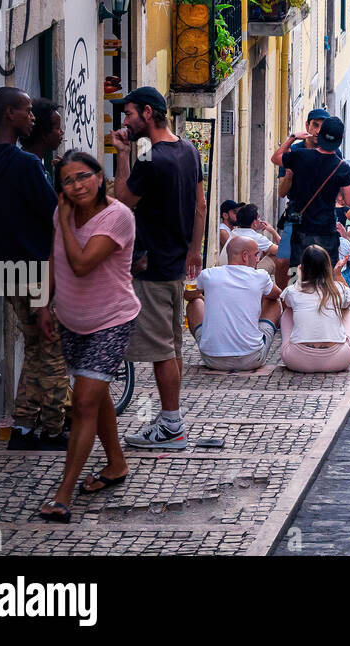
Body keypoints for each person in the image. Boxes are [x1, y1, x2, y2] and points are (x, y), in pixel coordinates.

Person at [36, 152, 140, 521]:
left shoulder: (117, 217)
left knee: (82, 404)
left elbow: (81, 264)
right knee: (94, 393)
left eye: (83, 177)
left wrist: (64, 219)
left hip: (110, 321)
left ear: (100, 177)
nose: (76, 185)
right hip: (71, 320)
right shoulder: (61, 213)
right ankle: (115, 465)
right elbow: (56, 256)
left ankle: (63, 494)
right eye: (67, 180)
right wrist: (43, 304)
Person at [0, 86, 70, 449]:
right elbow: (56, 216)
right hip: (36, 270)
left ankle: (24, 427)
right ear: (9, 114)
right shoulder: (25, 164)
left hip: (5, 270)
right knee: (53, 348)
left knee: (36, 345)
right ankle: (56, 428)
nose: (32, 116)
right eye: (26, 110)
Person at [111, 86, 204, 451]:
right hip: (177, 263)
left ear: (148, 113)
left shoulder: (150, 160)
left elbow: (123, 200)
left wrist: (121, 154)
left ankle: (170, 427)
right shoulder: (187, 149)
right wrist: (194, 251)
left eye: (130, 114)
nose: (126, 120)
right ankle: (171, 420)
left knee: (163, 351)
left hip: (152, 266)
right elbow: (200, 205)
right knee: (173, 346)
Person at [185, 236, 283, 371]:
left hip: (212, 359)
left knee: (194, 303)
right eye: (256, 255)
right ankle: (253, 337)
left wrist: (204, 298)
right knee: (274, 303)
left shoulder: (209, 274)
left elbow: (188, 295)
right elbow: (277, 294)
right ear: (245, 256)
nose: (257, 259)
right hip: (251, 358)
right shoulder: (260, 276)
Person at [279, 115, 350, 288]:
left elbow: (277, 157)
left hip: (302, 228)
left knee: (298, 273)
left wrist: (292, 138)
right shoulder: (341, 167)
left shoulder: (300, 156)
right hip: (326, 229)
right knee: (328, 275)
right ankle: (325, 307)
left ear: (321, 135)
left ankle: (296, 303)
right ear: (339, 140)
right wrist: (338, 194)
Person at [281, 244, 350, 372]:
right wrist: (338, 275)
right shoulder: (338, 289)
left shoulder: (292, 291)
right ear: (327, 267)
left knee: (288, 311)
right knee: (347, 311)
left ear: (302, 268)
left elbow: (287, 303)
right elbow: (349, 301)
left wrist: (299, 280)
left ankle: (297, 342)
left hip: (297, 360)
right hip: (339, 359)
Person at [226, 203, 279, 269]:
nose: (261, 221)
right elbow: (283, 251)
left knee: (265, 251)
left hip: (229, 269)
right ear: (254, 223)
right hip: (244, 273)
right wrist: (273, 231)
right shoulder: (256, 237)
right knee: (276, 256)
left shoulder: (234, 232)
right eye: (258, 218)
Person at [20, 98, 65, 173]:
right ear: (44, 133)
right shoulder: (29, 167)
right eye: (57, 128)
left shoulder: (37, 164)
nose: (62, 132)